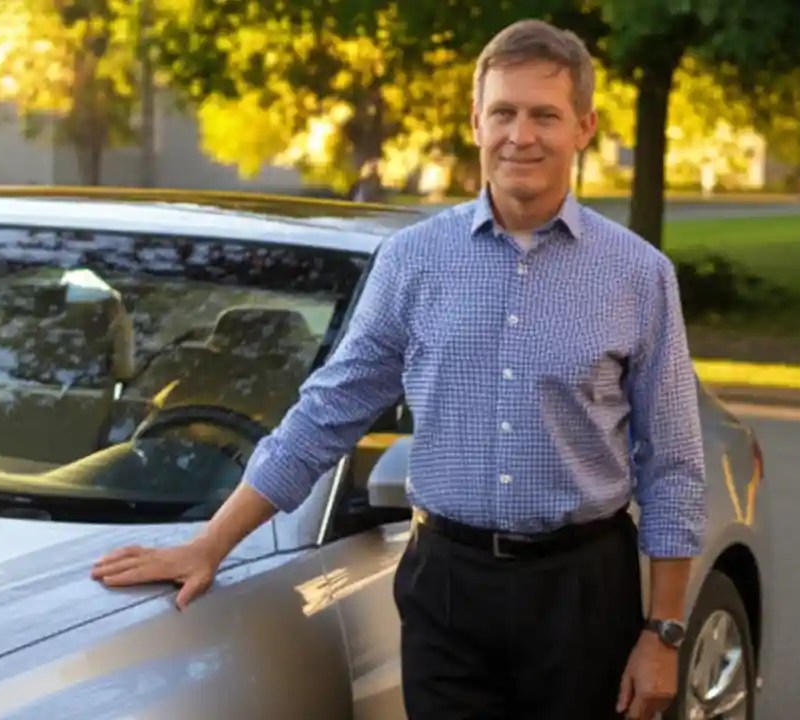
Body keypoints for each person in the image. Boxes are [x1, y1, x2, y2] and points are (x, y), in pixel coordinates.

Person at [91, 18, 707, 720]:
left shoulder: (637, 274)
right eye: (503, 112)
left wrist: (662, 633)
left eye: (545, 115)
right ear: (476, 121)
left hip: (582, 592)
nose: (521, 135)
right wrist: (209, 545)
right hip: (447, 589)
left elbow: (674, 465)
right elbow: (327, 413)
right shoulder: (414, 262)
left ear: (584, 127)